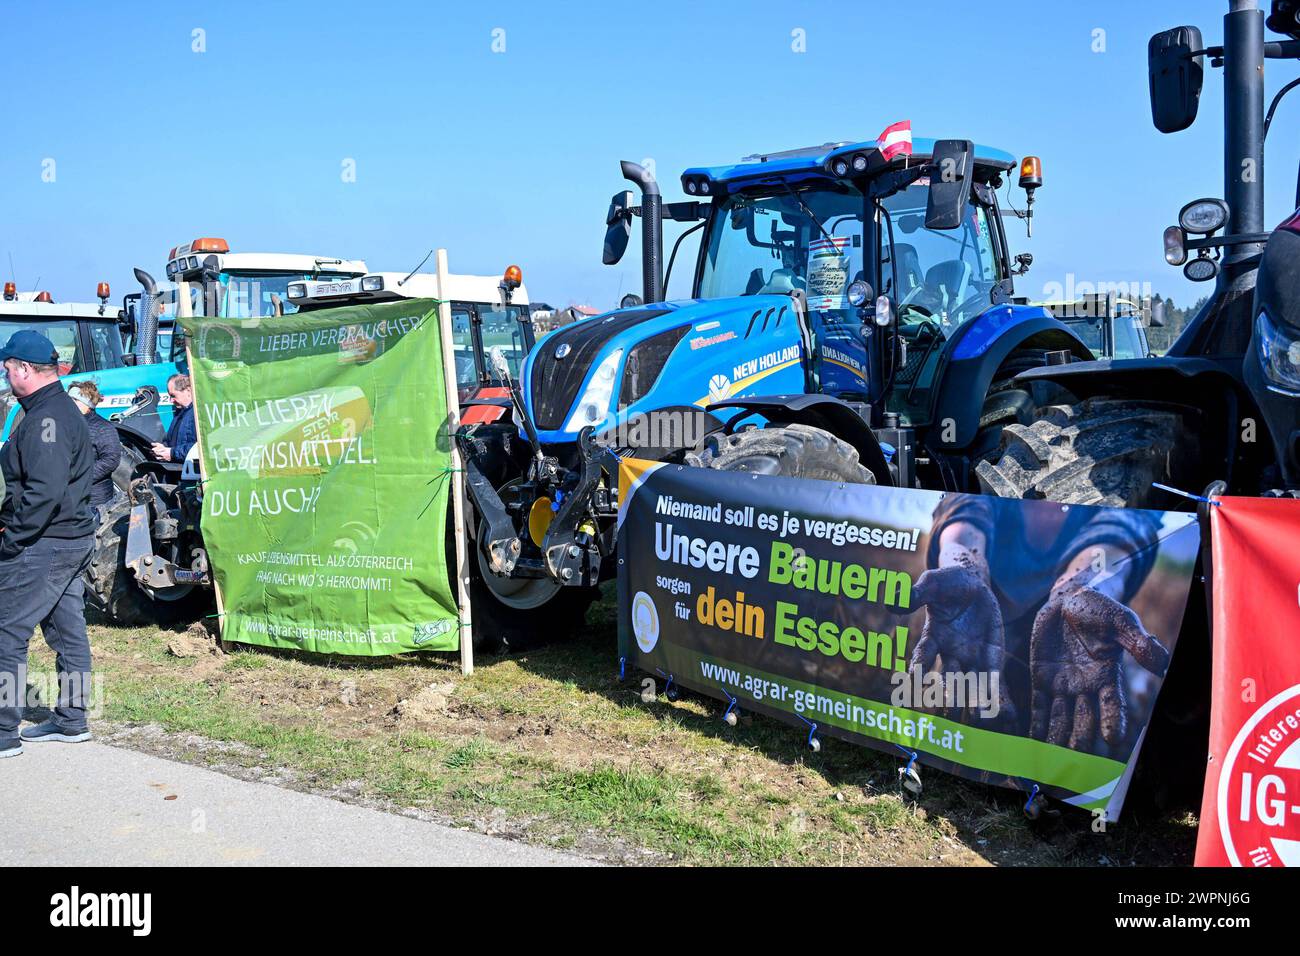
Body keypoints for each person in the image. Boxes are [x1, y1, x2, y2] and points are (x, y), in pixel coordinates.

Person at [907, 495, 1170, 756]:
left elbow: (1123, 525)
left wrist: (1082, 589)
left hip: (1072, 644)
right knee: (957, 734)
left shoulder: (1128, 474)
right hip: (977, 626)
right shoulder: (993, 468)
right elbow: (964, 508)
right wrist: (961, 564)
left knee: (1081, 751)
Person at [0, 331, 96, 758]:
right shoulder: (55, 410)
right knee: (67, 630)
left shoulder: (47, 419)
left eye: (7, 367)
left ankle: (3, 732)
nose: (4, 374)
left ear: (23, 368)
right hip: (69, 538)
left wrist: (13, 539)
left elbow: (44, 490)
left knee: (7, 631)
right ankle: (72, 720)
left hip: (46, 542)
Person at [67, 380, 122, 514]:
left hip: (95, 500)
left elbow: (111, 460)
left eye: (73, 400)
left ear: (85, 403)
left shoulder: (103, 428)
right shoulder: (69, 424)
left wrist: (80, 475)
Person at [151, 373, 196, 463]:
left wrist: (172, 453)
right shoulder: (180, 414)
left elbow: (199, 448)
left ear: (188, 390)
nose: (171, 400)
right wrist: (163, 449)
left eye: (173, 395)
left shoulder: (197, 415)